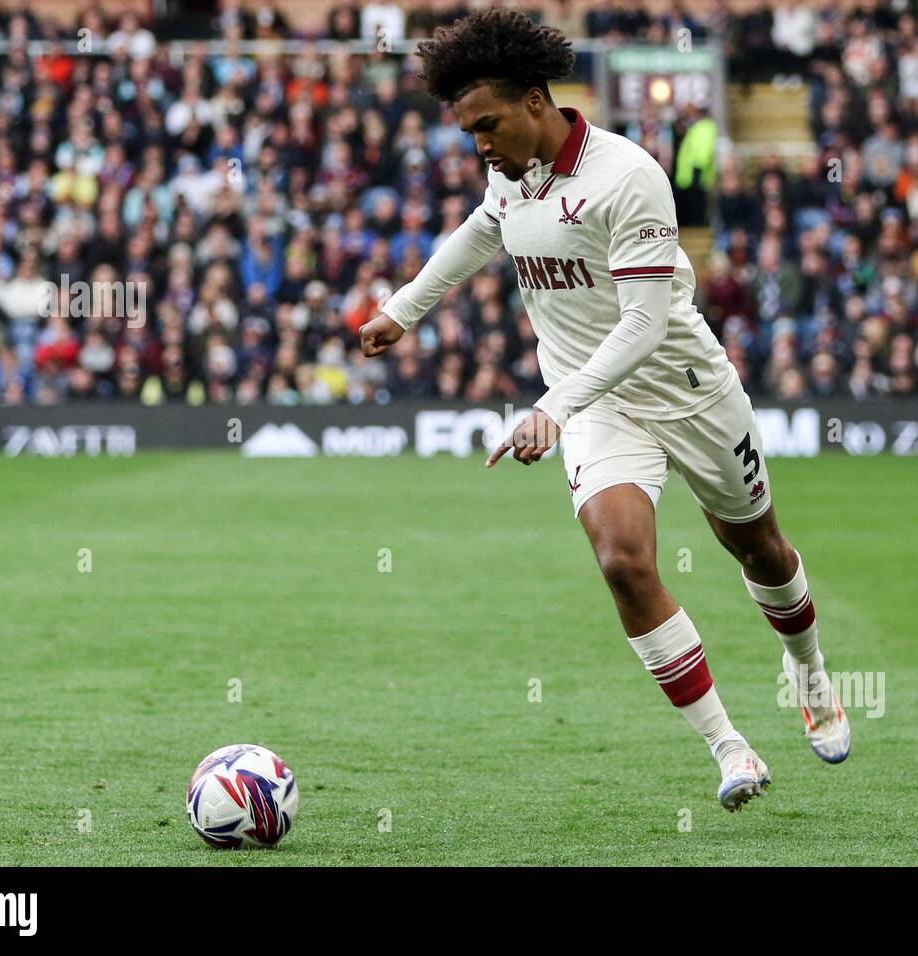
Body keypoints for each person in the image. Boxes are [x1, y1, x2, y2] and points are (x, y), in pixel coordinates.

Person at [359, 10, 849, 811]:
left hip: (687, 390)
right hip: (596, 408)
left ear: (535, 99)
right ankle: (731, 749)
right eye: (467, 131)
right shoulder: (509, 171)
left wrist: (552, 405)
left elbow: (645, 323)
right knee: (622, 559)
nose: (478, 144)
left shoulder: (628, 177)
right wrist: (406, 309)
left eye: (486, 124)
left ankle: (811, 672)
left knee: (755, 547)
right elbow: (488, 227)